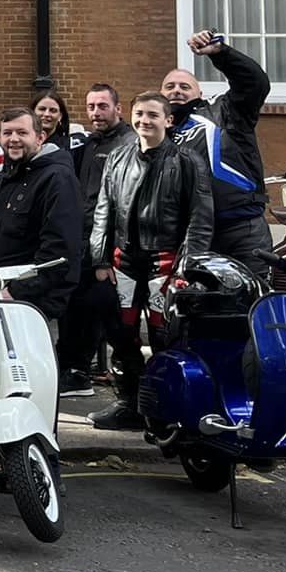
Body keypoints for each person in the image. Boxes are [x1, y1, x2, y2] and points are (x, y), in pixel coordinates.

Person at [87, 92, 215, 431]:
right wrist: (100, 259)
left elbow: (200, 217)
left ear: (168, 120)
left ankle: (165, 408)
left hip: (167, 262)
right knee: (121, 332)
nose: (145, 121)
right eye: (139, 114)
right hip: (123, 260)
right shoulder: (117, 158)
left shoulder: (189, 161)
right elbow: (104, 210)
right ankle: (128, 402)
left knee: (165, 335)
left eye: (152, 115)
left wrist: (186, 267)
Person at [162, 33, 275, 272]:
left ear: (200, 94)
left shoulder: (224, 111)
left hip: (242, 229)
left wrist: (221, 53)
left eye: (185, 86)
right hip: (191, 236)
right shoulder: (154, 130)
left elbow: (255, 84)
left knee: (252, 303)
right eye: (169, 87)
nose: (177, 91)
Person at [64, 82, 135, 395]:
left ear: (118, 109)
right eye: (91, 106)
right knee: (81, 311)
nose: (95, 113)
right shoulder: (90, 143)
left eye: (102, 106)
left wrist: (106, 257)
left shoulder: (129, 143)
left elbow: (122, 206)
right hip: (85, 244)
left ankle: (129, 393)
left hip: (110, 251)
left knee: (112, 320)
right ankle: (80, 373)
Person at [0, 108, 81, 323]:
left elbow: (59, 252)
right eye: (7, 133)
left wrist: (15, 292)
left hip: (27, 302)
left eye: (22, 133)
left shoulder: (57, 179)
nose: (14, 139)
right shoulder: (9, 176)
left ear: (40, 137)